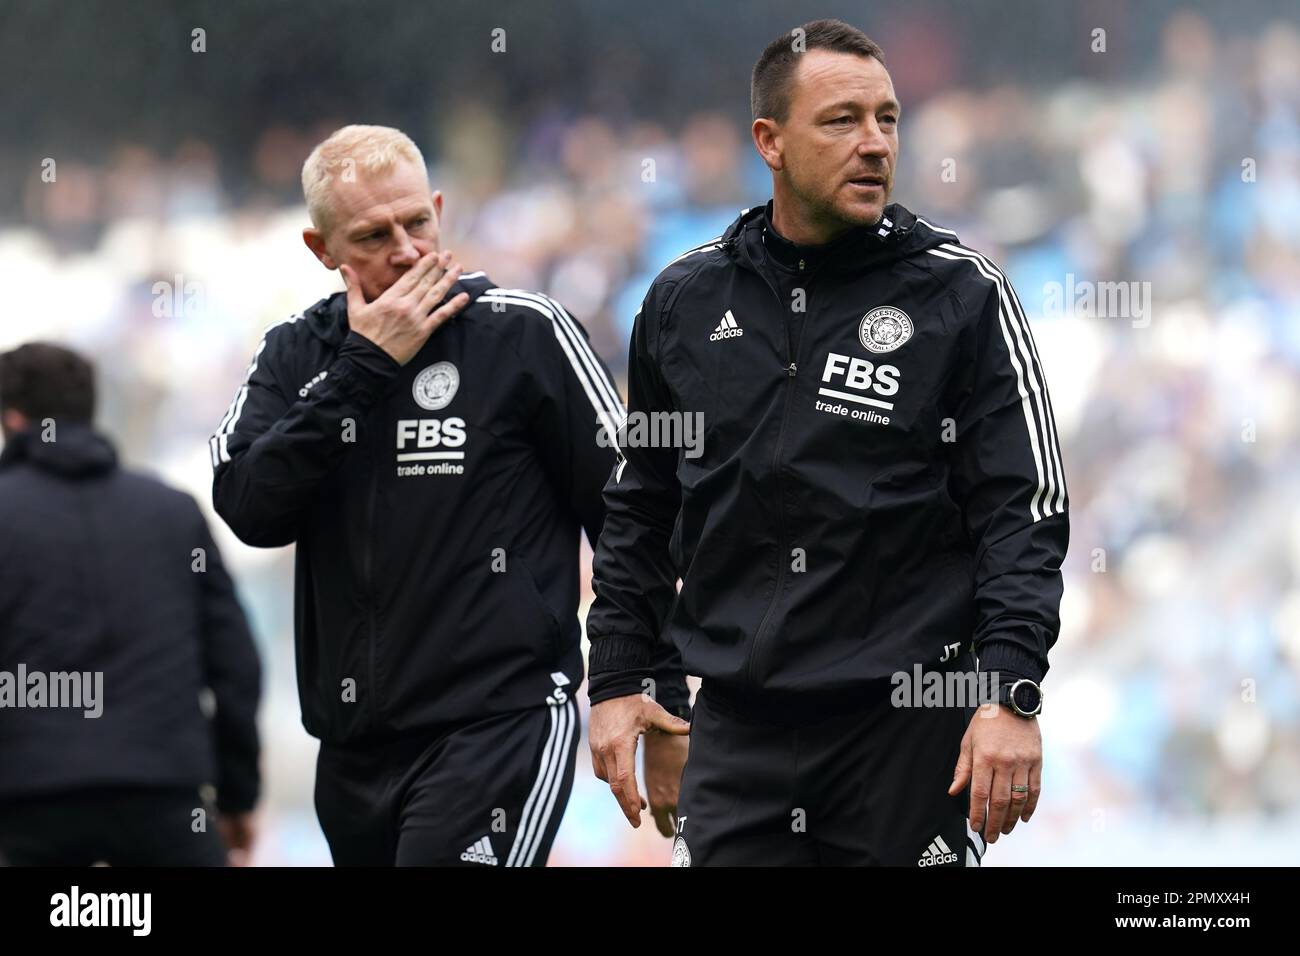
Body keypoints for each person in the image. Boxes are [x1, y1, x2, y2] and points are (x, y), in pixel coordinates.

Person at [586, 20, 1070, 866]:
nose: (875, 143)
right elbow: (641, 508)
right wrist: (623, 677)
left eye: (888, 119)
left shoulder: (961, 294)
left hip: (908, 733)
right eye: (842, 121)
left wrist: (1008, 691)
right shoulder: (681, 303)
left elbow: (1022, 512)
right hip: (739, 733)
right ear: (769, 141)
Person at [210, 125, 688, 866]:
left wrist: (653, 693)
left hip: (501, 720)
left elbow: (635, 514)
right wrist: (364, 367)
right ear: (321, 250)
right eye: (372, 234)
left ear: (438, 208)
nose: (405, 249)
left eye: (417, 222)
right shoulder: (294, 356)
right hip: (351, 745)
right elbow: (249, 507)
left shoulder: (524, 334)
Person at [0, 342, 261, 866]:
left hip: (26, 800)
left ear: (12, 418)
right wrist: (236, 796)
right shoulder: (172, 512)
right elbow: (236, 666)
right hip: (164, 797)